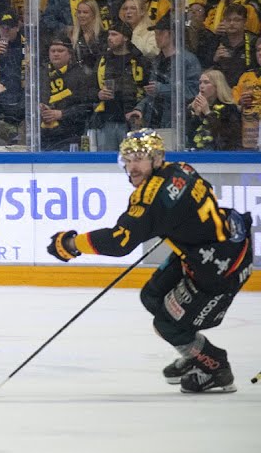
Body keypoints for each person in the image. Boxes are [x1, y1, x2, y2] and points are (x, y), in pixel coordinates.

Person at [47, 129, 253, 393]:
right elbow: (202, 195)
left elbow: (120, 241)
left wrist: (70, 244)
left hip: (221, 268)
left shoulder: (149, 199)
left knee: (166, 325)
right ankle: (194, 352)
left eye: (139, 159)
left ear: (156, 159)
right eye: (128, 159)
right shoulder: (181, 168)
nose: (132, 167)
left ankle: (215, 366)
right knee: (153, 296)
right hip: (213, 246)